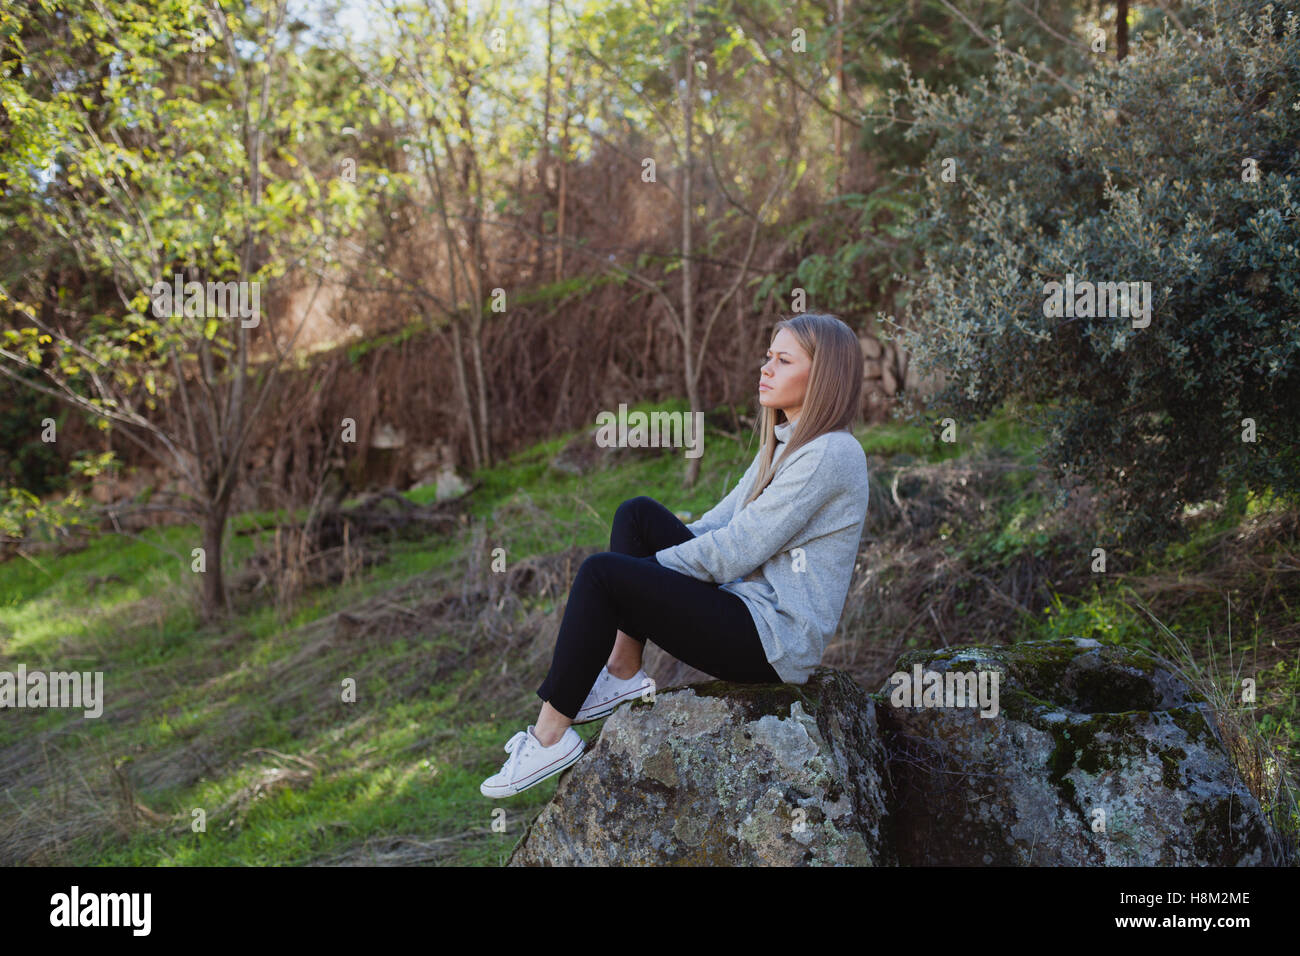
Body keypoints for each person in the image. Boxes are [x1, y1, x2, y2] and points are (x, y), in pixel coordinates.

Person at [480, 312, 870, 797]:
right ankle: (623, 672)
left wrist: (634, 581)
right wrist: (642, 578)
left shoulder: (831, 454)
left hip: (773, 643)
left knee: (602, 576)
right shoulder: (788, 443)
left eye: (783, 360)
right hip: (743, 610)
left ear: (823, 376)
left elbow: (736, 552)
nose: (765, 368)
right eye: (768, 356)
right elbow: (720, 523)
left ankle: (548, 737)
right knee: (637, 515)